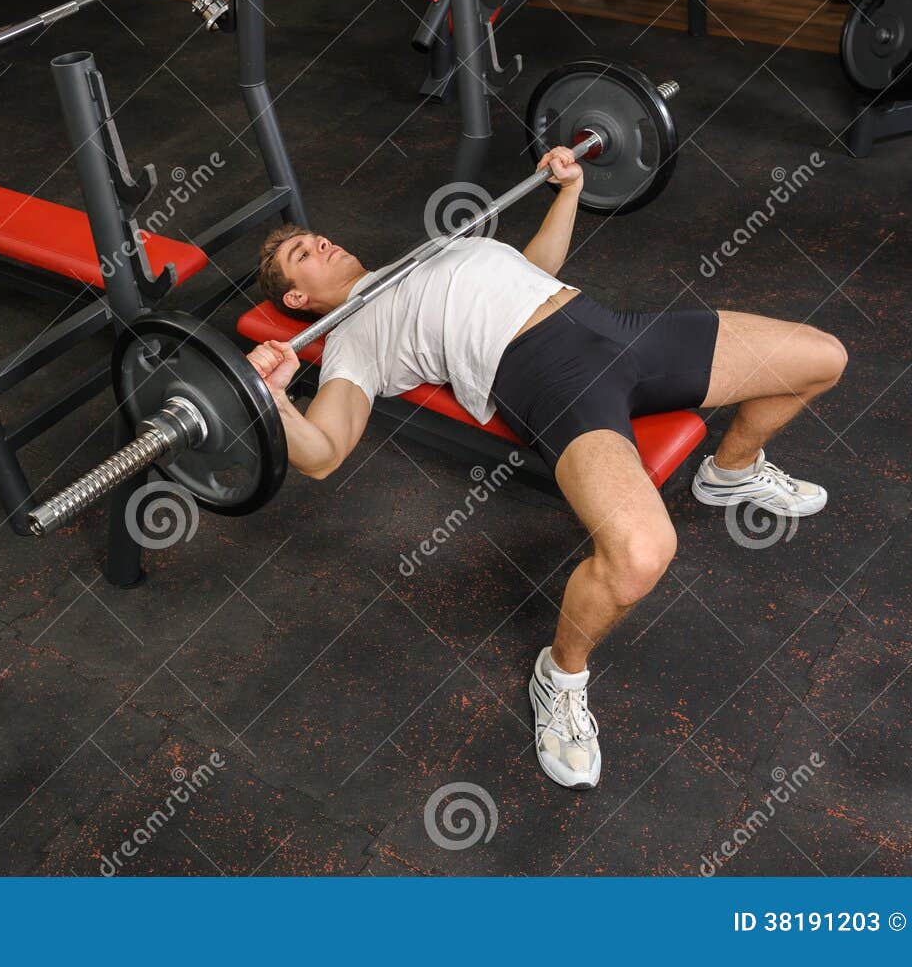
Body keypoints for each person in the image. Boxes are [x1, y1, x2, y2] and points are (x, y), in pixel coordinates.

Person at [246, 146, 848, 789]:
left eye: (316, 236)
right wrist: (275, 400)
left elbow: (534, 269)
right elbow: (323, 453)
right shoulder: (350, 339)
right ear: (297, 296)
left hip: (613, 330)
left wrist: (569, 189)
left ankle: (730, 469)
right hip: (553, 381)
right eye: (302, 253)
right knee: (641, 554)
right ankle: (560, 677)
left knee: (822, 358)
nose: (321, 243)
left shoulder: (425, 255)